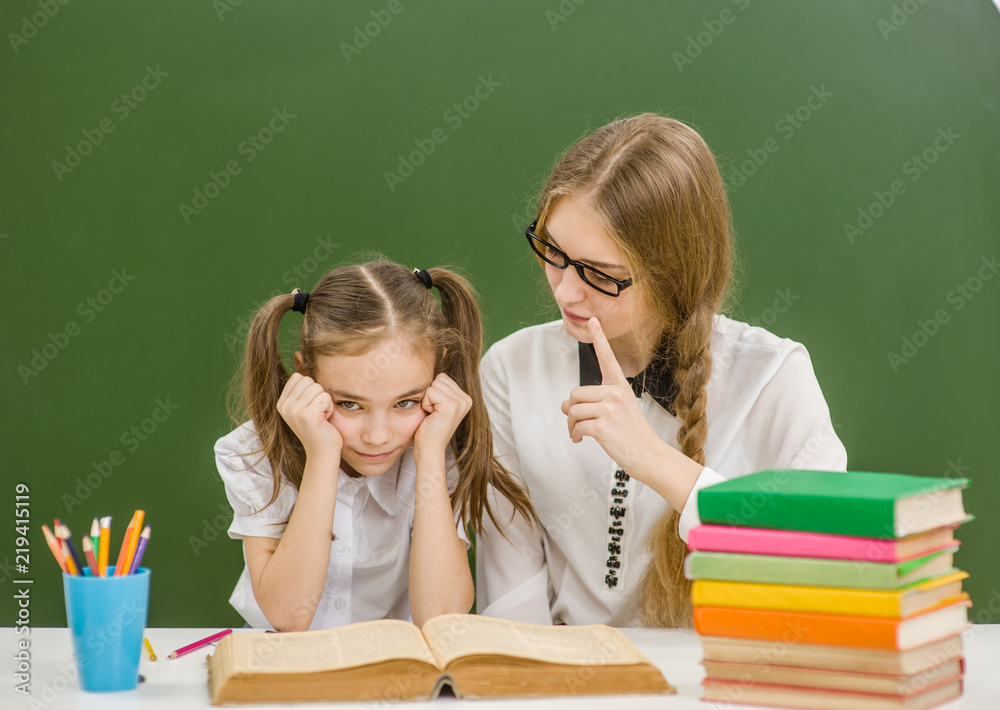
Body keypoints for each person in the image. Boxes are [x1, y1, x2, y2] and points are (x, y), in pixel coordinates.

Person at [475, 113, 848, 628]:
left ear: (673, 271)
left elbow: (828, 567)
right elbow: (511, 599)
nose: (563, 291)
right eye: (553, 252)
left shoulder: (773, 376)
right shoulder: (511, 369)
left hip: (724, 683)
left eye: (600, 275)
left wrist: (657, 461)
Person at [216, 260, 534, 631]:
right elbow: (288, 616)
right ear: (306, 376)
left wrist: (430, 454)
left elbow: (441, 618)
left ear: (438, 375)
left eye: (405, 403)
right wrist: (322, 456)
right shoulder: (251, 453)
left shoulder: (443, 444)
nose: (378, 436)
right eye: (349, 404)